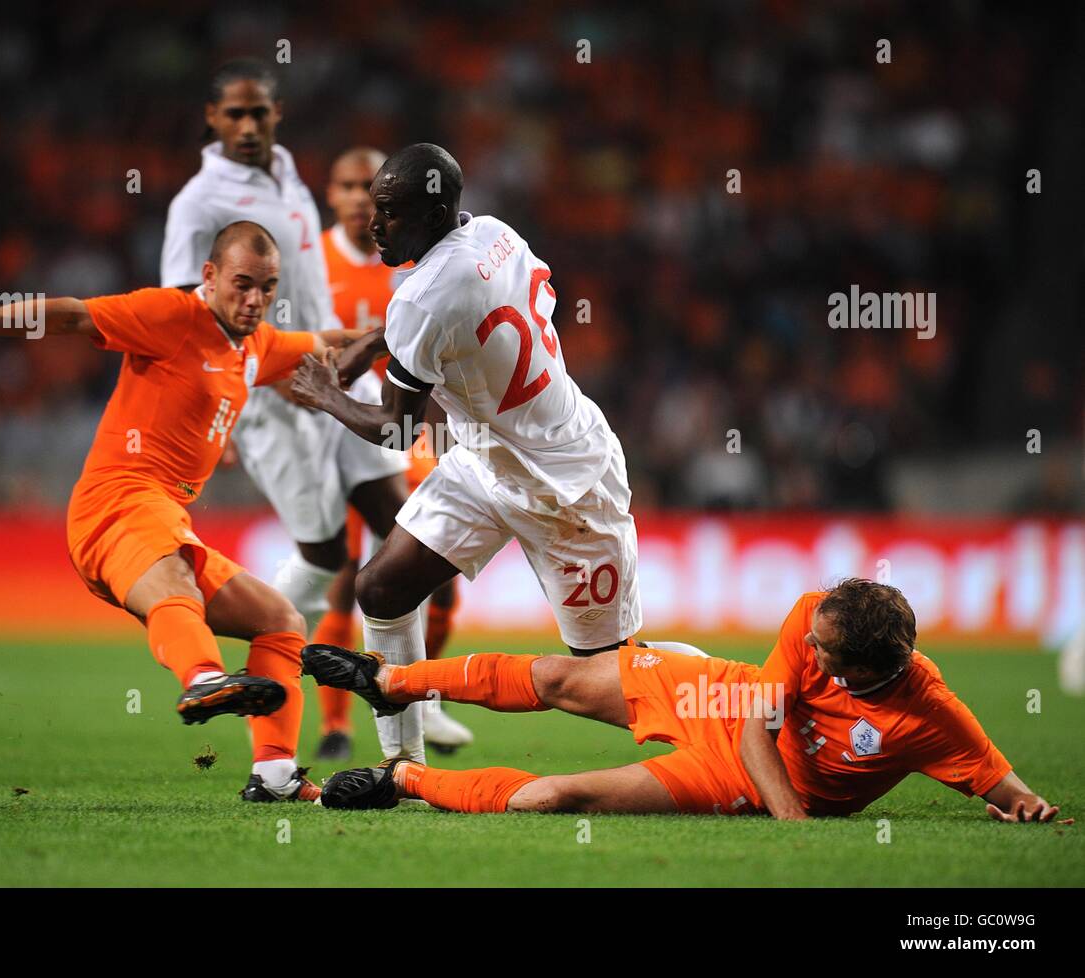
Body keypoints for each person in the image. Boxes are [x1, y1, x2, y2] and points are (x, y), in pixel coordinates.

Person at [0, 222, 363, 803]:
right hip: (115, 504)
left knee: (280, 620)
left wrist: (407, 339)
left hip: (163, 516)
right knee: (178, 582)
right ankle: (202, 679)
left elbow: (326, 343)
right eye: (242, 284)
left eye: (267, 288)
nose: (254, 300)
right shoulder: (171, 316)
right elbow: (72, 314)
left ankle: (274, 776)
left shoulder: (255, 348)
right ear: (210, 276)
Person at [291, 143, 642, 764]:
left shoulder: (422, 299)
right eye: (375, 207)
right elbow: (448, 315)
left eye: (390, 213)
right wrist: (375, 345)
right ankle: (404, 767)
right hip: (486, 461)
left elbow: (395, 431)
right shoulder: (494, 233)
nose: (374, 224)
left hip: (565, 488)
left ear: (433, 214)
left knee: (613, 678)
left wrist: (325, 394)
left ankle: (741, 703)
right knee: (381, 589)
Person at [305, 579, 1070, 824]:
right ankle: (389, 678)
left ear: (869, 669)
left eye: (828, 661)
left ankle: (403, 780)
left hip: (734, 780)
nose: (814, 653)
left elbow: (1006, 785)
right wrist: (797, 829)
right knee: (561, 678)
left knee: (552, 797)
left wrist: (1027, 807)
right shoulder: (815, 616)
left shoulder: (930, 716)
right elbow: (756, 727)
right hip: (727, 708)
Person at [161, 59, 414, 757]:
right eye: (234, 115)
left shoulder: (290, 176)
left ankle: (405, 736)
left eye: (259, 113)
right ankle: (264, 659)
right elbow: (186, 304)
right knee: (328, 553)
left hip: (331, 377)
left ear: (278, 115)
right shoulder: (198, 203)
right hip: (272, 394)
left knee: (407, 532)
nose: (248, 126)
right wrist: (222, 399)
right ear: (211, 120)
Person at [311, 146, 470, 762]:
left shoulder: (410, 256)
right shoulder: (311, 260)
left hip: (402, 427)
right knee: (349, 575)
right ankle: (336, 726)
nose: (361, 203)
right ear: (332, 193)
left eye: (370, 191)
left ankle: (423, 701)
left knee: (430, 577)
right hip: (336, 439)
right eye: (350, 187)